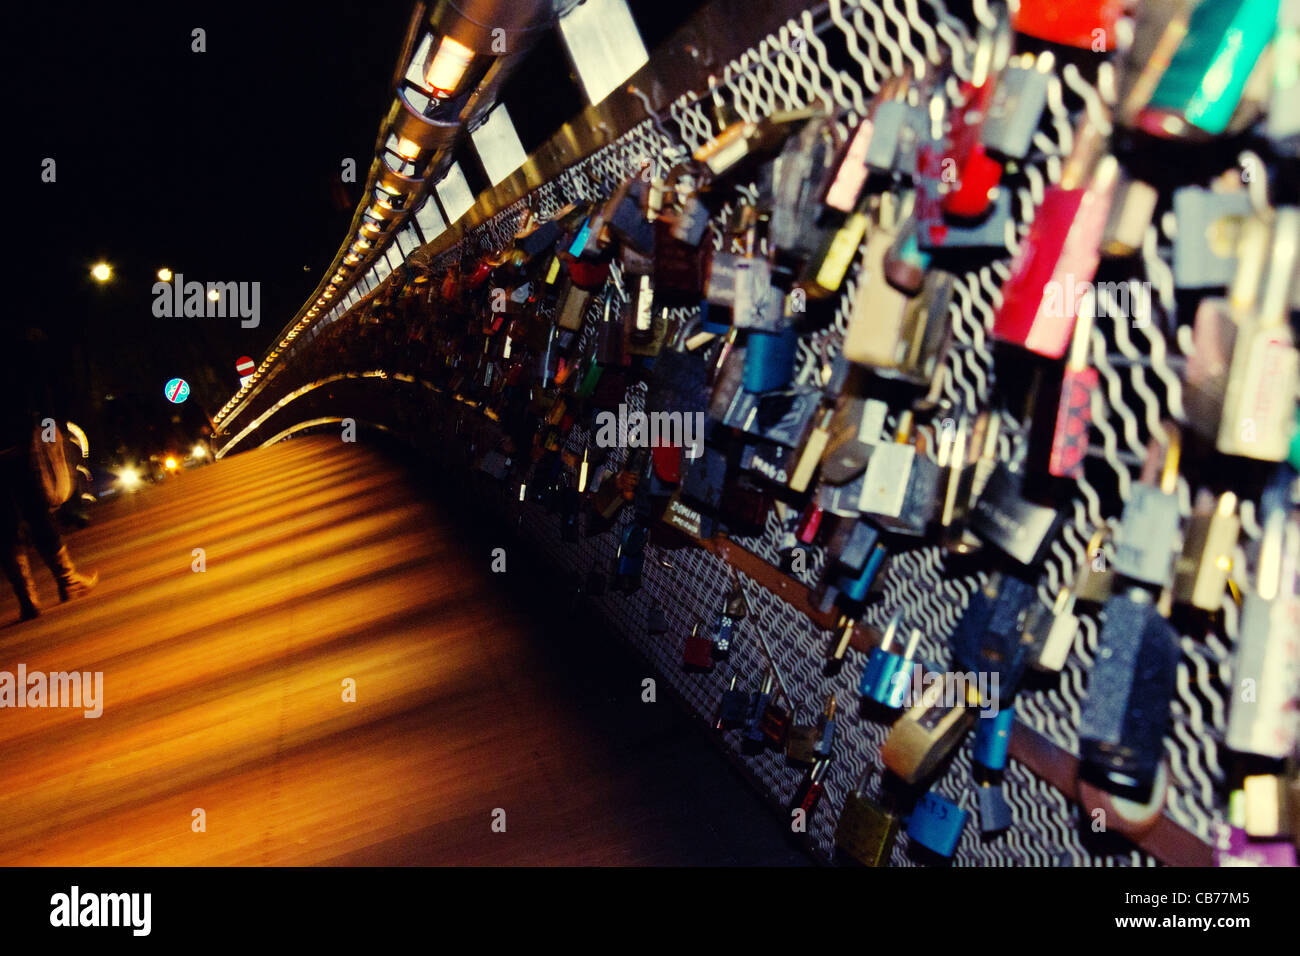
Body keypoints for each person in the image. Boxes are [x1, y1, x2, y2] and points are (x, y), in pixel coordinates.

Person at [0, 325, 97, 620]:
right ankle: (67, 582)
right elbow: (40, 396)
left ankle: (28, 599)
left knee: (4, 525)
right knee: (37, 512)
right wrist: (48, 434)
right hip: (20, 443)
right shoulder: (17, 347)